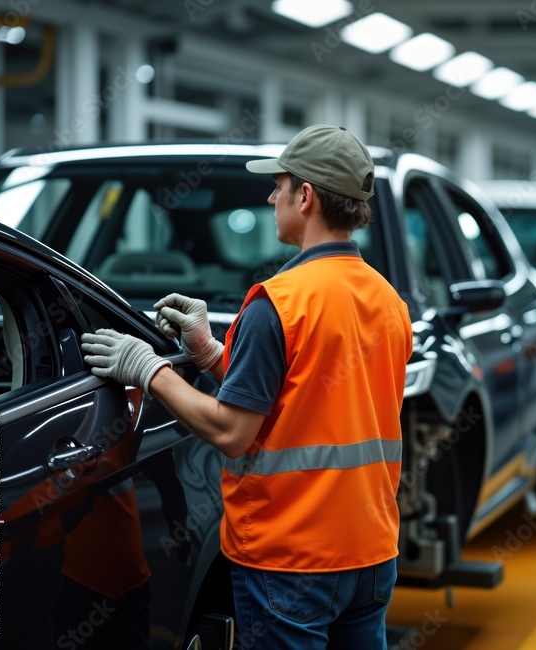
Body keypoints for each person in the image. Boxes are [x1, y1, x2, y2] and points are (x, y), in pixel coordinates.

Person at [80, 124, 413, 649]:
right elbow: (314, 395)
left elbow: (233, 433)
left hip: (291, 559)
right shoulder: (387, 301)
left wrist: (149, 369)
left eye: (278, 185)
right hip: (370, 554)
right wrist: (212, 354)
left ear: (305, 197)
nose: (270, 196)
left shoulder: (278, 303)